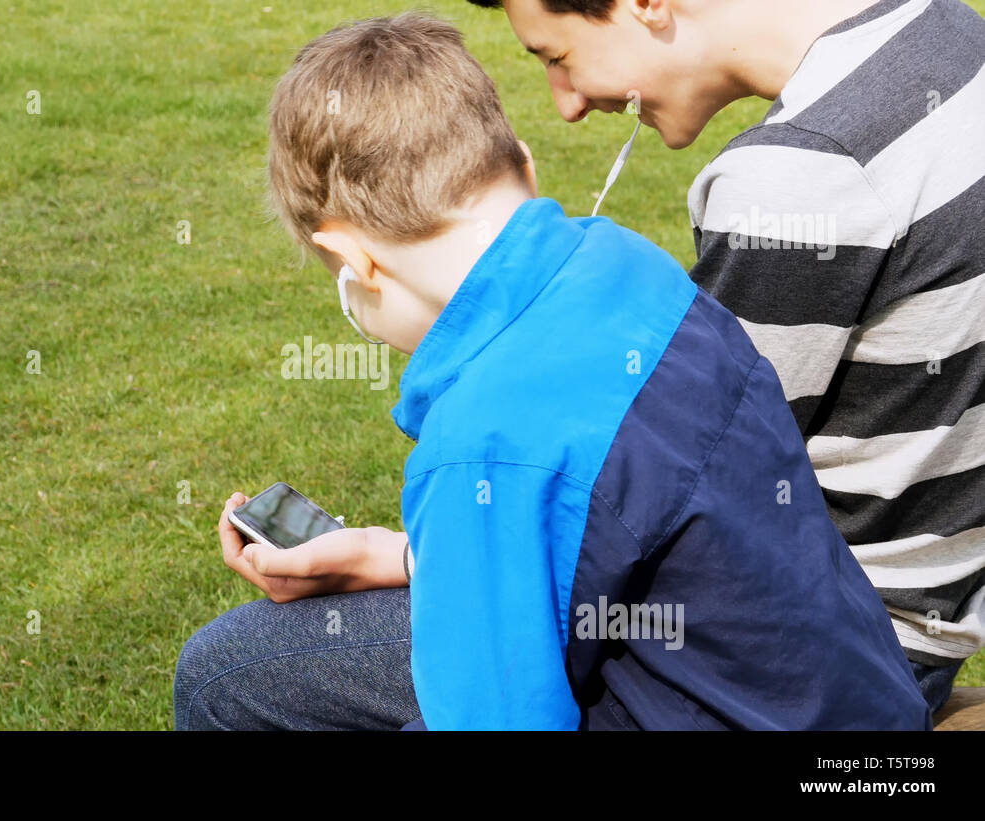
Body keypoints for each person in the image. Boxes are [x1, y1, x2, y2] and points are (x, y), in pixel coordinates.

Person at [173, 12, 932, 730]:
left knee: (218, 679)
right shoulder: (637, 269)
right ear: (525, 171)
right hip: (854, 705)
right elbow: (608, 523)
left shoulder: (480, 443)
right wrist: (388, 552)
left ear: (353, 258)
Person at [463, 0, 985, 714]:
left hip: (788, 663)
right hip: (925, 622)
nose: (568, 104)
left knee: (265, 658)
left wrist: (411, 557)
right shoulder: (952, 34)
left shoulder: (803, 173)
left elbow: (650, 491)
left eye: (557, 57)